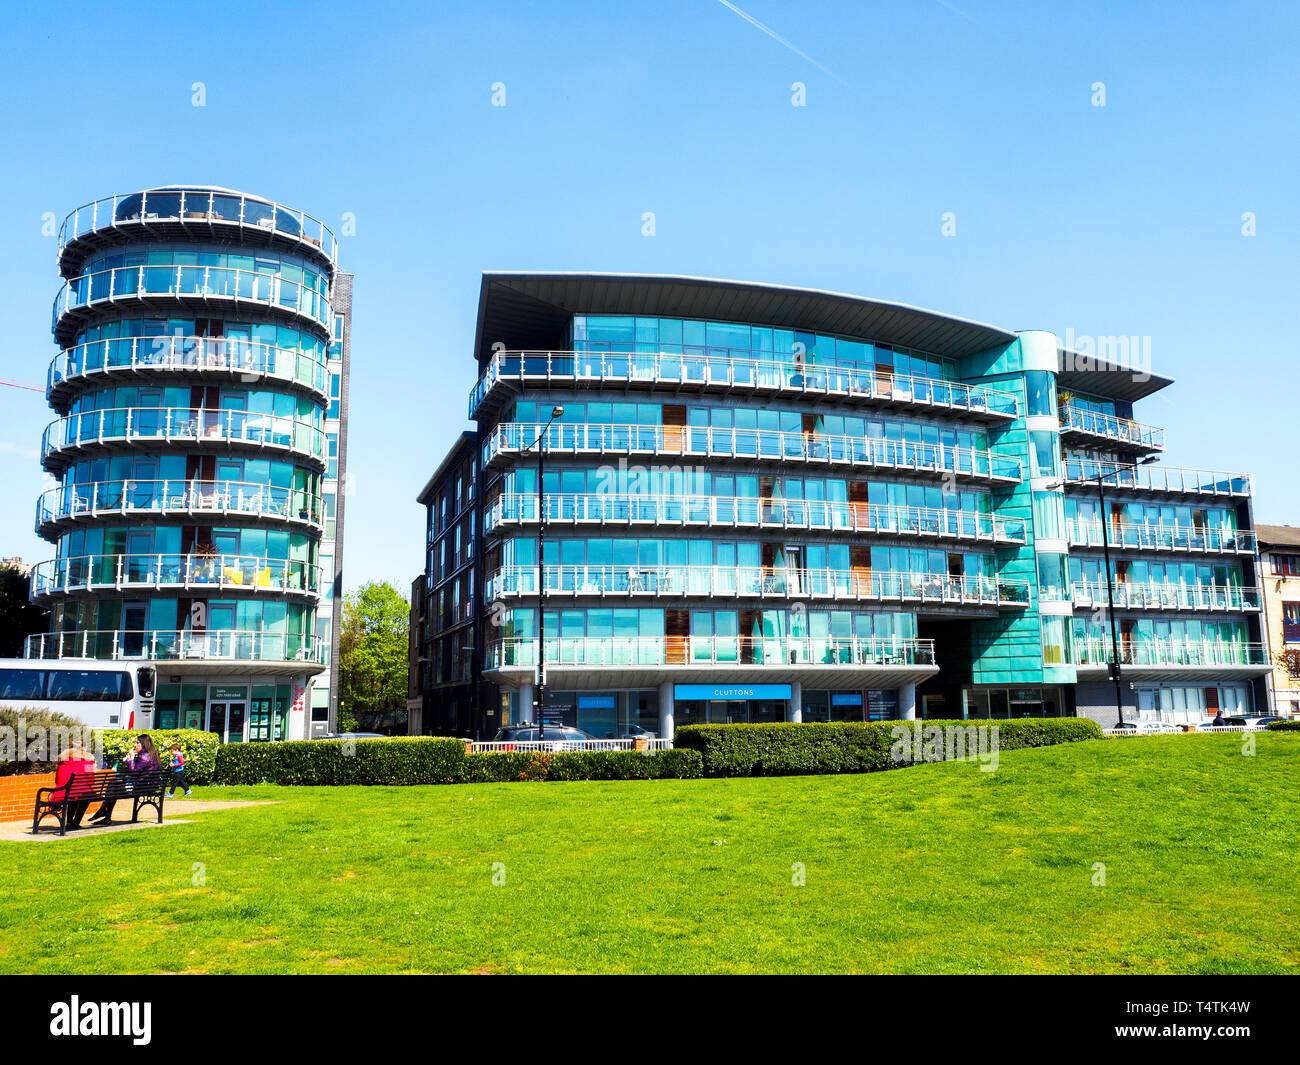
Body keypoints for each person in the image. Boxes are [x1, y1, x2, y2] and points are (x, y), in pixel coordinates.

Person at [87, 734, 160, 825]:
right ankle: (105, 814)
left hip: (140, 788)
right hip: (147, 787)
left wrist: (131, 759)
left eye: (137, 743)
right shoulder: (151, 755)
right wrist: (129, 761)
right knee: (114, 785)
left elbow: (134, 772)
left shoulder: (143, 757)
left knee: (113, 783)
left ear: (144, 744)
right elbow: (138, 771)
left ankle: (104, 811)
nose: (135, 745)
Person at [50, 743, 98, 830]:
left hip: (61, 793)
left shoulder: (62, 763)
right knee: (84, 796)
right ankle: (75, 822)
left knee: (73, 796)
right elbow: (92, 781)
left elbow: (57, 781)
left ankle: (69, 822)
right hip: (79, 793)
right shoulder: (88, 763)